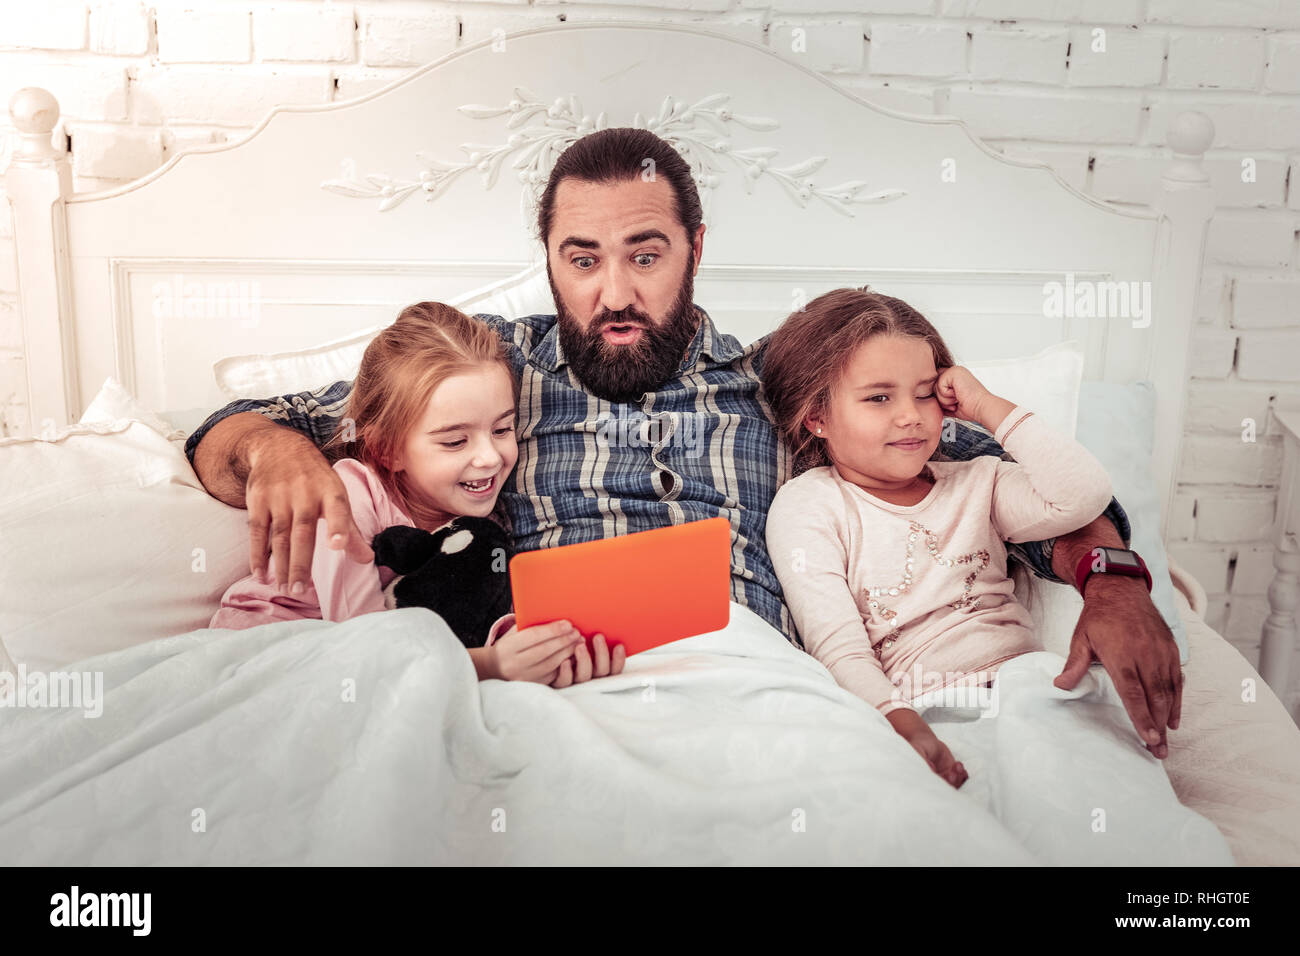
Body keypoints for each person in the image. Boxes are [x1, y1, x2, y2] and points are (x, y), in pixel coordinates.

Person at [185, 127, 1183, 752]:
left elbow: (996, 498)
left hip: (754, 693)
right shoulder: (492, 376)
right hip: (550, 696)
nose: (612, 292)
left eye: (644, 254)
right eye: (581, 259)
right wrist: (275, 447)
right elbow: (232, 435)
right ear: (549, 260)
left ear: (694, 251)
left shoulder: (784, 389)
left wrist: (1114, 577)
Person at [761, 289, 1234, 864]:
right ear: (816, 417)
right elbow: (838, 645)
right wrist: (897, 721)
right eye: (878, 397)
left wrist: (989, 408)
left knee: (1122, 823)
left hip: (1035, 686)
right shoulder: (809, 506)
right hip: (924, 707)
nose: (910, 415)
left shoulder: (979, 481)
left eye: (924, 393)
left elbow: (1083, 497)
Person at [210, 301, 622, 686]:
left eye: (502, 429)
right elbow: (362, 641)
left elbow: (472, 611)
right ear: (386, 450)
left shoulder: (484, 522)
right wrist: (492, 665)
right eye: (455, 442)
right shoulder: (348, 496)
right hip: (267, 656)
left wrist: (545, 650)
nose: (490, 458)